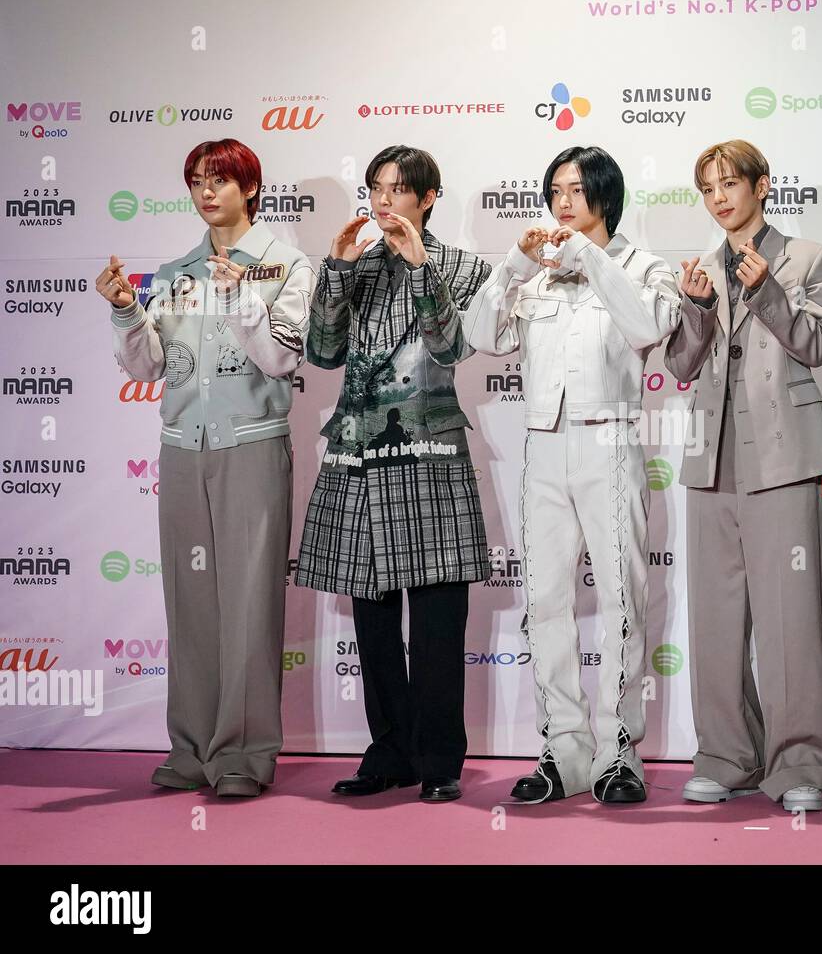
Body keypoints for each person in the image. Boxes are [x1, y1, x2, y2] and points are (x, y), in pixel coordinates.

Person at [463, 145, 681, 804]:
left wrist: (590, 257)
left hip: (609, 443)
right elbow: (479, 333)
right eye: (556, 188)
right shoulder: (534, 271)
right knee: (546, 604)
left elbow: (647, 328)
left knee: (621, 602)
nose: (564, 201)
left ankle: (619, 752)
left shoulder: (644, 266)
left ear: (605, 196)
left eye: (578, 188)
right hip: (542, 450)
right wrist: (515, 263)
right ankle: (562, 749)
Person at [97, 138, 312, 798]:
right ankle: (191, 748)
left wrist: (243, 297)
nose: (206, 191)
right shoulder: (175, 270)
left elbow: (282, 361)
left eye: (220, 179)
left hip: (251, 444)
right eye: (196, 180)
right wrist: (126, 309)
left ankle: (244, 756)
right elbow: (146, 366)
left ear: (250, 187)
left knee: (249, 602)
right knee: (191, 603)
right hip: (183, 449)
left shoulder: (285, 264)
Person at [295, 145, 491, 804]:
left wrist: (420, 269)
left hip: (429, 454)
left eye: (398, 189)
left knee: (438, 621)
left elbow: (451, 347)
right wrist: (334, 273)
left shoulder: (462, 267)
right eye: (375, 187)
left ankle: (438, 760)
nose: (383, 200)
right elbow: (321, 354)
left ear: (428, 197)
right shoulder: (356, 265)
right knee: (373, 622)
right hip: (356, 453)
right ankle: (389, 753)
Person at [662, 140, 822, 813]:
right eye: (706, 188)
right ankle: (725, 755)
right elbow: (681, 366)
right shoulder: (702, 267)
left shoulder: (808, 258)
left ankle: (800, 763)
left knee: (788, 620)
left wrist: (765, 289)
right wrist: (695, 310)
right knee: (714, 619)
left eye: (729, 183)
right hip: (712, 460)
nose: (718, 198)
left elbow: (820, 345)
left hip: (783, 456)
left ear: (762, 185)